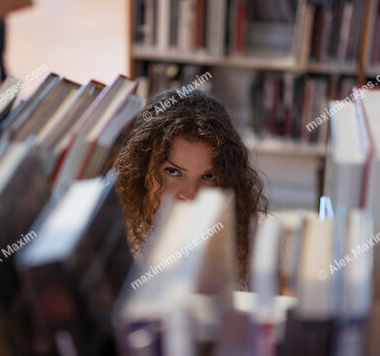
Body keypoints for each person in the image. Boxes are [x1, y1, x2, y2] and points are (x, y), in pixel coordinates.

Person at [113, 89, 267, 283]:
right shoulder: (117, 242)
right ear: (141, 170)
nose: (191, 195)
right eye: (173, 172)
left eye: (208, 176)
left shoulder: (249, 246)